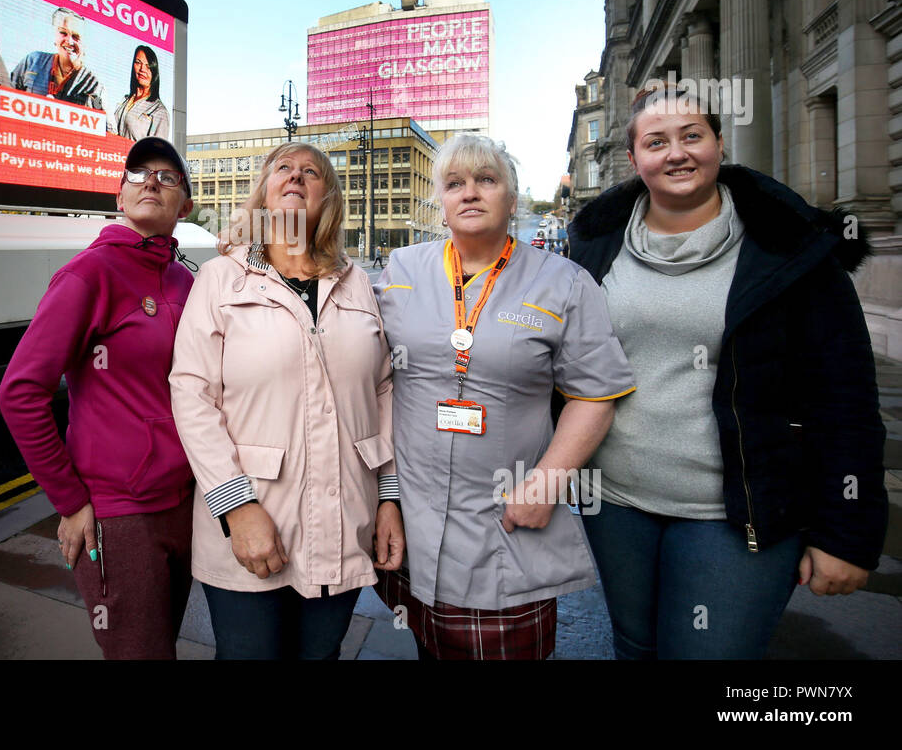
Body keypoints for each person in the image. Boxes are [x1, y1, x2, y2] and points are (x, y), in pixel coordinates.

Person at [567, 84, 888, 659]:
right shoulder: (595, 245)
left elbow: (844, 399)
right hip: (616, 503)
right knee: (635, 648)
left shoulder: (788, 249)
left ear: (719, 142)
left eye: (692, 135)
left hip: (736, 514)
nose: (676, 153)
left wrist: (848, 534)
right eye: (656, 141)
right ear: (636, 158)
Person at [374, 134, 635, 660]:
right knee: (429, 648)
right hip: (415, 519)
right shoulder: (401, 270)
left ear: (512, 200)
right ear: (441, 202)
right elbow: (370, 372)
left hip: (508, 520)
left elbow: (595, 394)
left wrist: (548, 481)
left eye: (486, 180)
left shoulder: (563, 281)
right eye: (455, 184)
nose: (470, 193)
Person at [169, 142, 404, 659]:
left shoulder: (358, 282)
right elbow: (191, 394)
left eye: (311, 173)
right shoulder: (221, 279)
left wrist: (389, 498)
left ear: (328, 199)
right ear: (265, 191)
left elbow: (383, 390)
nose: (296, 177)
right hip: (252, 521)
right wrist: (238, 508)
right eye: (283, 169)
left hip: (344, 520)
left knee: (320, 655)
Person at [0, 137, 197, 659]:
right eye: (138, 174)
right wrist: (70, 501)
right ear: (119, 197)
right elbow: (19, 393)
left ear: (186, 205)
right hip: (119, 515)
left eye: (167, 177)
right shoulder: (90, 274)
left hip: (186, 507)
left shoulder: (188, 281)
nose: (151, 181)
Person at [11, 7, 103, 109]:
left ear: (84, 44)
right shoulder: (33, 61)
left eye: (75, 36)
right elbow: (6, 94)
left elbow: (106, 122)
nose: (69, 41)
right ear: (55, 35)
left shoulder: (94, 84)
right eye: (63, 33)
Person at [111, 45, 170, 140]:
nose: (142, 69)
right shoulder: (125, 101)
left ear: (154, 72)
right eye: (138, 63)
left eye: (148, 66)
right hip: (115, 154)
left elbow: (156, 152)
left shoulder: (159, 112)